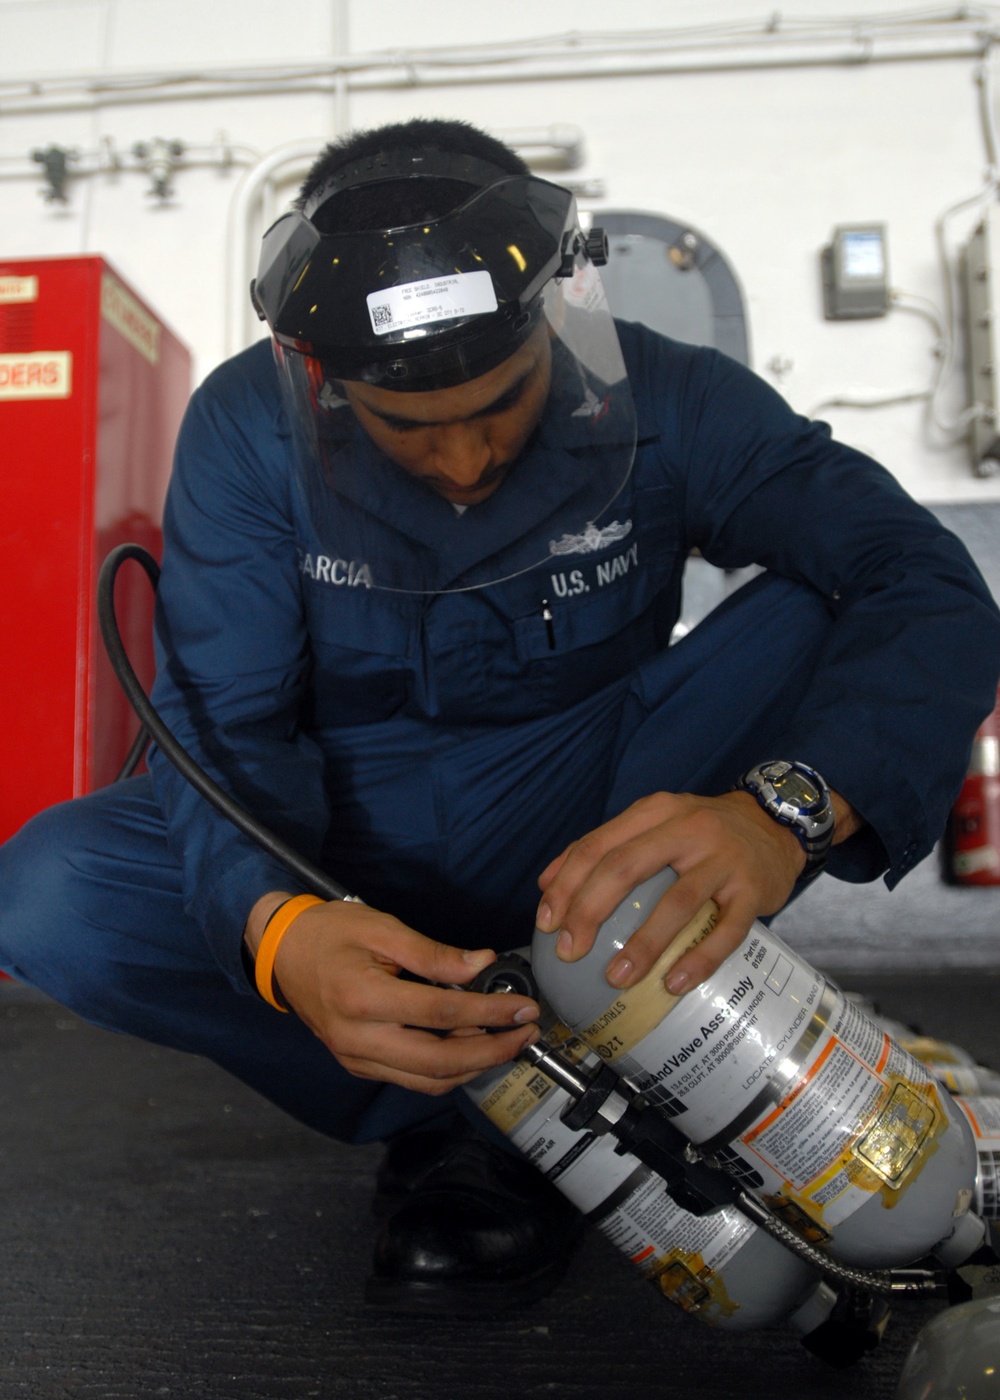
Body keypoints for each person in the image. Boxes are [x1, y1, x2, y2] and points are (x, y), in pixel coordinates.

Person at [2, 117, 999, 1318]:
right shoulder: (245, 429)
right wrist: (277, 932)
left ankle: (587, 1055)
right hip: (338, 838)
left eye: (503, 403)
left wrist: (781, 810)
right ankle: (484, 1111)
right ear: (318, 373)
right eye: (411, 426)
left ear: (553, 321)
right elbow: (224, 718)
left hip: (593, 801)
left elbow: (922, 575)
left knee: (830, 596)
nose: (468, 459)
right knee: (52, 892)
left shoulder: (675, 395)